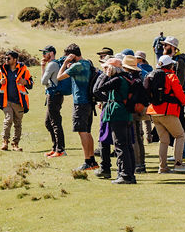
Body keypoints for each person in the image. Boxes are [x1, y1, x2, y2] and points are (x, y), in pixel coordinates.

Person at [93, 55, 139, 183]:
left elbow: (98, 88)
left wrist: (106, 75)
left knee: (120, 145)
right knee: (127, 145)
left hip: (117, 113)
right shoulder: (127, 78)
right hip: (126, 113)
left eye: (107, 68)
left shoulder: (116, 80)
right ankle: (130, 174)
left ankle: (124, 175)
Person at [58, 44, 100, 171]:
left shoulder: (76, 66)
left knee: (82, 132)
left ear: (72, 55)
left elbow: (59, 77)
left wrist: (65, 63)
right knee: (87, 131)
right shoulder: (87, 63)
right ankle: (92, 160)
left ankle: (87, 161)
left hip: (80, 103)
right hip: (89, 102)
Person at [147, 55, 185, 173]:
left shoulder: (152, 75)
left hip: (154, 112)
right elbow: (179, 93)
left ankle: (163, 167)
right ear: (170, 66)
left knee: (164, 140)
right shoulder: (171, 77)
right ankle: (178, 163)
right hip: (167, 111)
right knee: (180, 136)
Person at [0, 51, 33, 151]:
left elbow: (31, 83)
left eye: (8, 58)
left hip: (19, 102)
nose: (6, 60)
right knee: (8, 120)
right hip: (6, 101)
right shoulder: (2, 70)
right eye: (5, 58)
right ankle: (5, 142)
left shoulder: (23, 70)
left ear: (15, 60)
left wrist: (25, 82)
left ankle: (15, 144)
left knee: (18, 124)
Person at [163, 36, 185, 156]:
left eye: (166, 45)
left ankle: (183, 153)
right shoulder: (173, 59)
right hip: (174, 97)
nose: (163, 47)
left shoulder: (179, 61)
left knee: (181, 124)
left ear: (172, 47)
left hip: (178, 97)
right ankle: (180, 153)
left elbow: (179, 81)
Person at [39, 45, 67, 157]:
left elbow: (43, 81)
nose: (43, 55)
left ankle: (60, 150)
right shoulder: (55, 64)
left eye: (45, 53)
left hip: (53, 96)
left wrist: (43, 68)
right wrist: (43, 66)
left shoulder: (52, 65)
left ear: (51, 53)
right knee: (48, 122)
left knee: (55, 122)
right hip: (56, 95)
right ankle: (55, 147)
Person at [132, 50, 153, 172]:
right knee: (139, 137)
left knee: (134, 137)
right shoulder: (145, 72)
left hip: (134, 109)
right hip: (143, 106)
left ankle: (137, 164)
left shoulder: (133, 77)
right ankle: (141, 164)